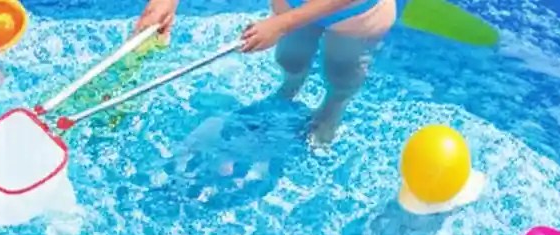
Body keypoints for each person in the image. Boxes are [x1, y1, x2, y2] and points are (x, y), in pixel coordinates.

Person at [135, 0, 397, 143]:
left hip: (355, 13)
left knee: (342, 71)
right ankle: (290, 87)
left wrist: (282, 25)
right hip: (292, 4)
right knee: (290, 58)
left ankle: (333, 108)